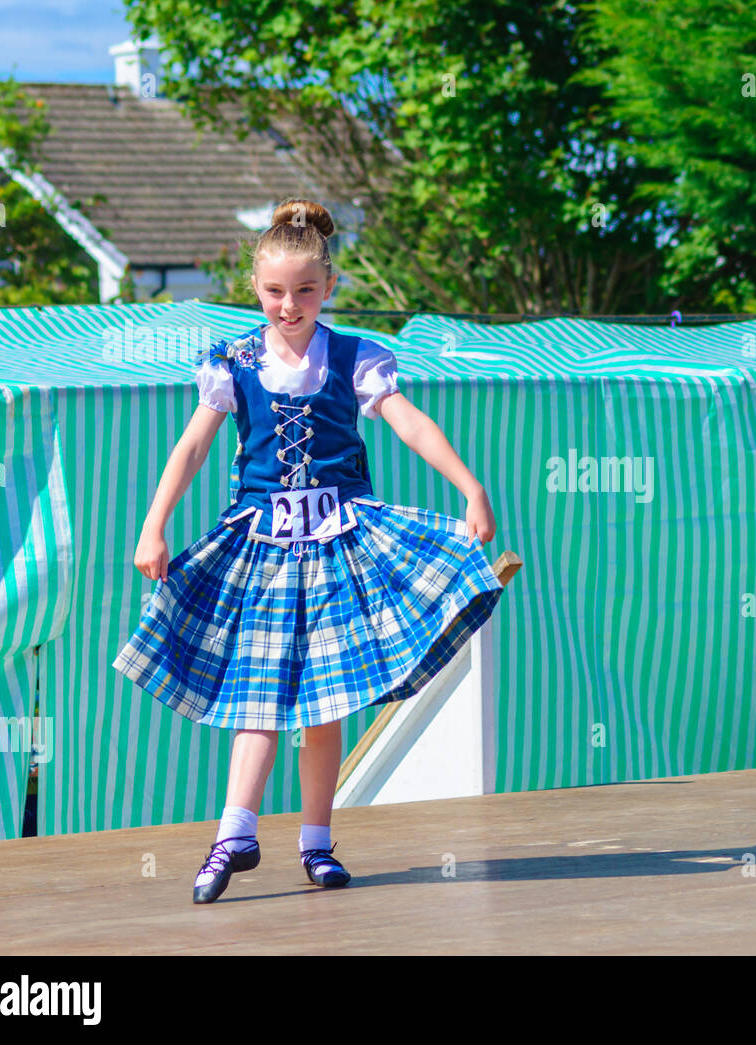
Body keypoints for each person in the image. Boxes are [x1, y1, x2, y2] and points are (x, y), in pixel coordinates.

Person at [113, 198, 505, 900]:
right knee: (260, 696)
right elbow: (194, 444)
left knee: (327, 700)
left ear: (329, 288)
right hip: (261, 546)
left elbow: (408, 423)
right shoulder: (233, 361)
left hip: (338, 544)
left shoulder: (355, 356)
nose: (288, 306)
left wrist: (470, 485)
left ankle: (317, 842)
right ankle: (235, 831)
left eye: (303, 291)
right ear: (254, 289)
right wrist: (155, 522)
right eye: (273, 292)